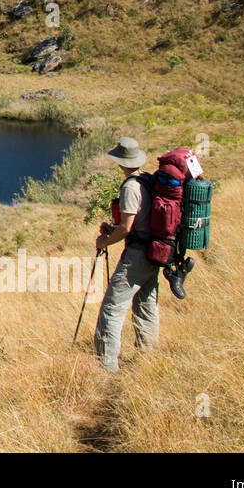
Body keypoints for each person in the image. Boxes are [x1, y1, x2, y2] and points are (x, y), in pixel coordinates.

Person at [92, 137, 158, 373]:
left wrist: (105, 241)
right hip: (153, 253)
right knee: (146, 304)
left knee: (112, 308)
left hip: (137, 257)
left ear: (121, 161)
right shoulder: (148, 180)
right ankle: (148, 358)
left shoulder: (130, 186)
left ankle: (105, 367)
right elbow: (139, 222)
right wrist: (115, 230)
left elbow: (127, 228)